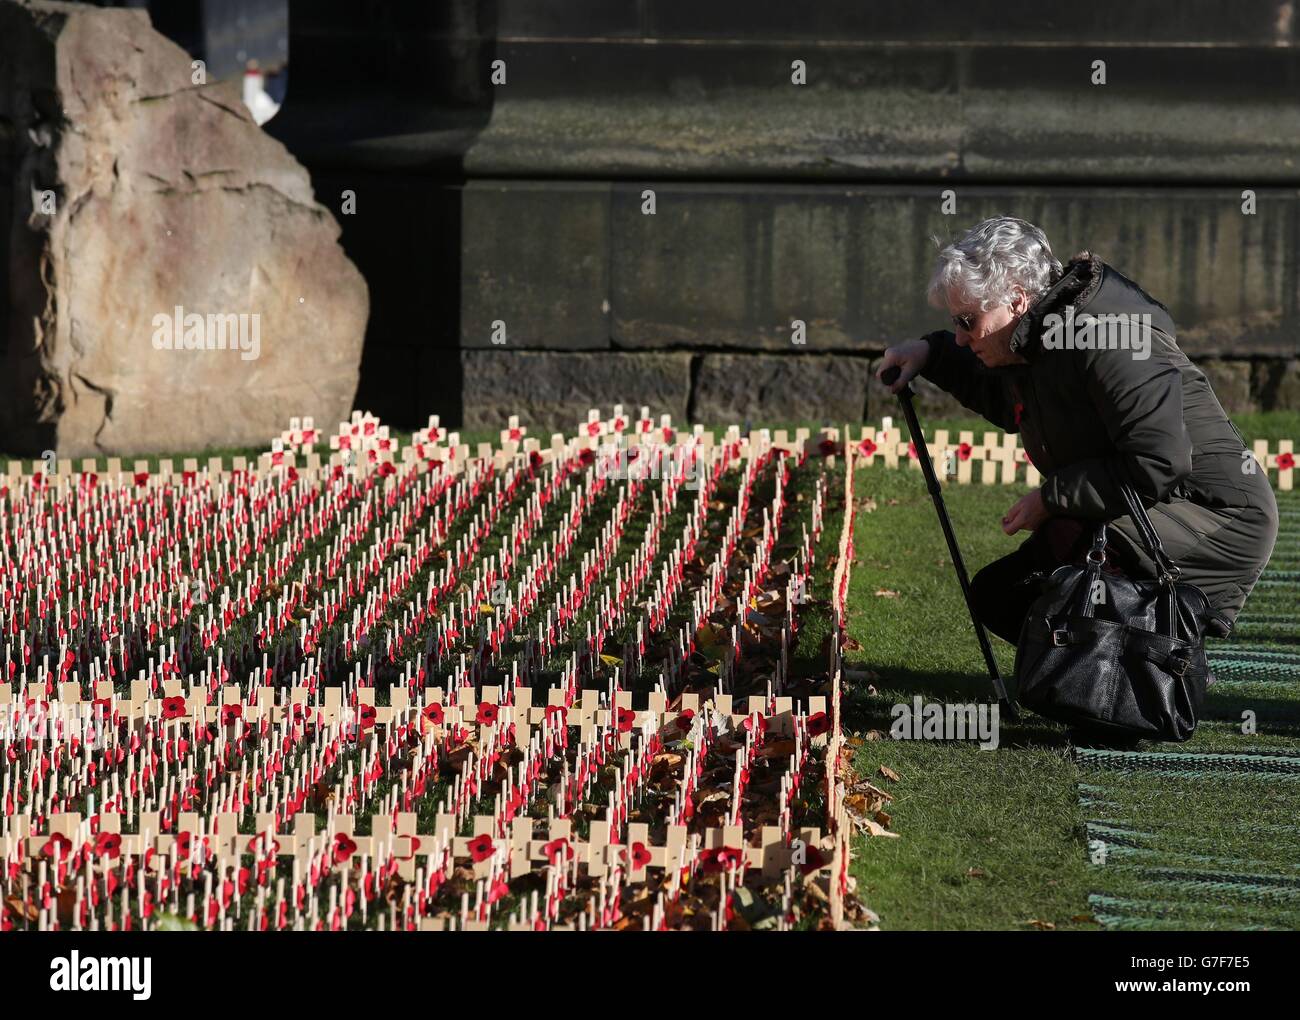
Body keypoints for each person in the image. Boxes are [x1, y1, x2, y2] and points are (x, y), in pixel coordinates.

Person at [877, 216, 1278, 647]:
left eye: (967, 321)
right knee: (1002, 594)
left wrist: (1050, 498)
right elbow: (1016, 404)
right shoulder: (1035, 337)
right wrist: (931, 353)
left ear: (1016, 300)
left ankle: (1152, 668)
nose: (960, 337)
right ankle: (1108, 674)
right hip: (1151, 504)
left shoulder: (1109, 338)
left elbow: (1158, 462)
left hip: (1214, 516)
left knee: (1043, 589)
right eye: (955, 321)